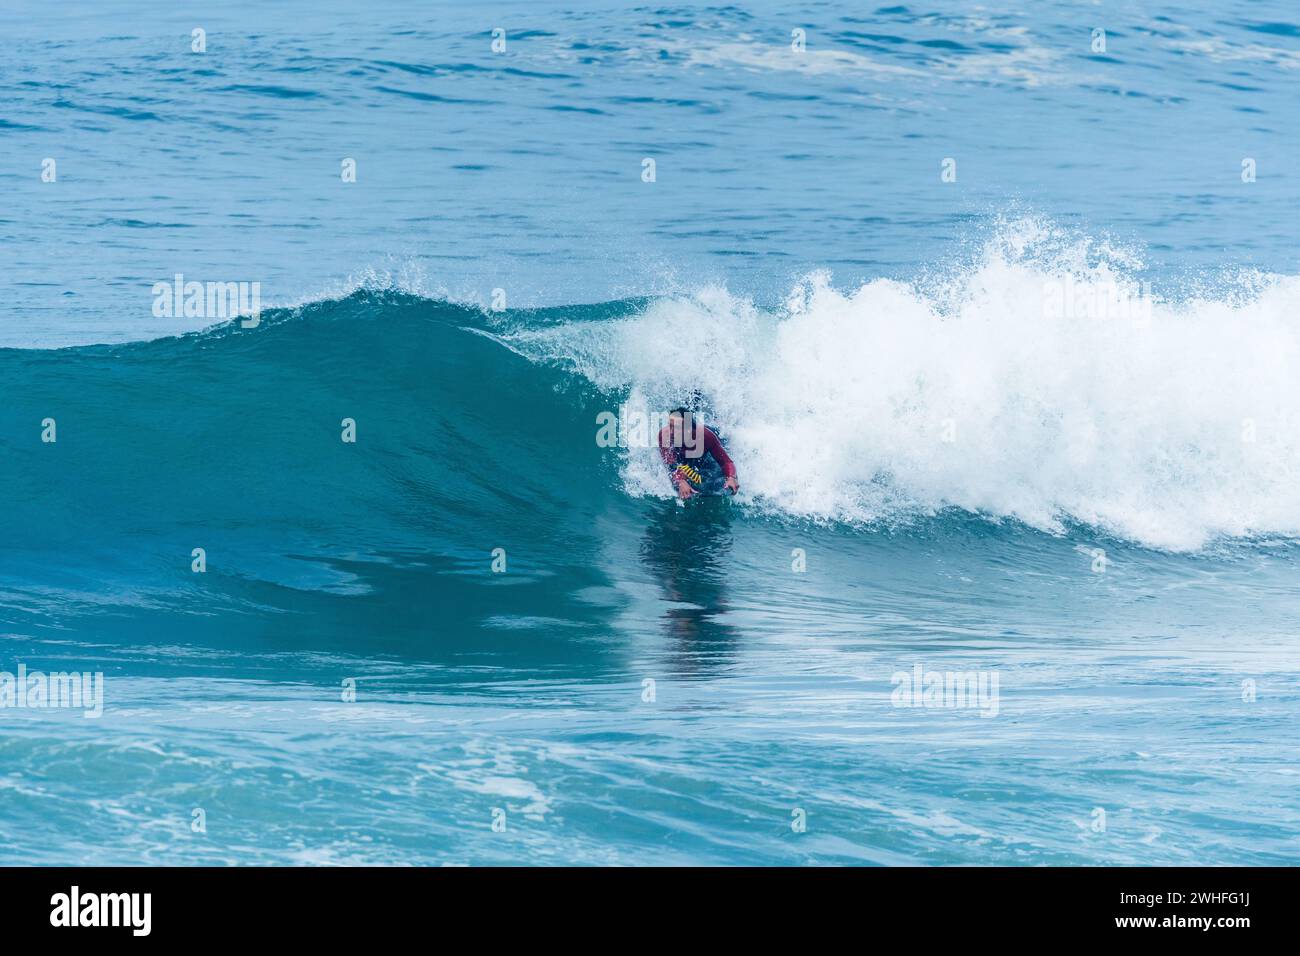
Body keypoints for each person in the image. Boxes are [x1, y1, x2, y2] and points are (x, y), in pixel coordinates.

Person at [658, 407, 740, 500]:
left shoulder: (706, 437)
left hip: (712, 439)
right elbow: (671, 465)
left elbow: (726, 462)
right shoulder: (665, 435)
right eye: (670, 425)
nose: (671, 431)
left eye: (676, 427)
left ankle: (719, 421)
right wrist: (680, 480)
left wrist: (731, 477)